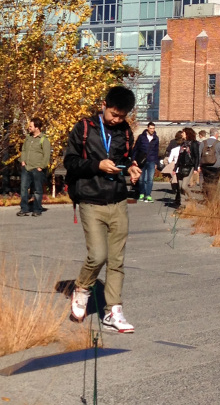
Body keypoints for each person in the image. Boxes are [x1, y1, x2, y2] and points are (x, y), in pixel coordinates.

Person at [64, 85, 141, 333]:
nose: (117, 120)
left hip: (117, 200)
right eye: (114, 114)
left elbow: (126, 159)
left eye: (122, 116)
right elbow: (70, 162)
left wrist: (131, 168)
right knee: (98, 255)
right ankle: (82, 288)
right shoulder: (84, 128)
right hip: (90, 200)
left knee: (116, 260)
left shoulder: (125, 132)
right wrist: (98, 165)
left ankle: (113, 311)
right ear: (104, 106)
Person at [18, 117, 51, 217]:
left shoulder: (44, 140)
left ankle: (37, 209)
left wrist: (41, 167)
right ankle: (24, 209)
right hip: (26, 168)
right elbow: (23, 150)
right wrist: (22, 161)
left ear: (37, 127)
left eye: (31, 126)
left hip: (37, 169)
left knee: (37, 189)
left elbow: (46, 155)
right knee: (23, 188)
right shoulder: (28, 138)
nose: (29, 128)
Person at [199, 127, 220, 202]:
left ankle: (206, 199)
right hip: (216, 167)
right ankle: (212, 200)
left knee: (206, 182)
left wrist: (199, 165)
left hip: (205, 166)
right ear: (216, 134)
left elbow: (199, 155)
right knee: (214, 183)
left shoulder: (203, 143)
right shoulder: (219, 144)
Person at [132, 122, 159, 203]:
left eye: (153, 128)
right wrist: (133, 159)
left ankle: (148, 195)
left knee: (150, 179)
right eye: (150, 128)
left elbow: (156, 151)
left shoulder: (156, 138)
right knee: (141, 179)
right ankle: (142, 193)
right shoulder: (141, 137)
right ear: (147, 128)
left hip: (151, 160)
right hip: (141, 161)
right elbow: (136, 149)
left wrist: (156, 162)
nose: (152, 130)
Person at [172, 127, 199, 207]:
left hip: (189, 167)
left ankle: (192, 198)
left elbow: (197, 156)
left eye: (183, 133)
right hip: (181, 167)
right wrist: (175, 168)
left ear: (187, 134)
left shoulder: (194, 144)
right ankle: (182, 204)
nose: (182, 134)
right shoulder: (183, 144)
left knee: (184, 186)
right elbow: (179, 156)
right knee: (180, 187)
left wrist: (196, 168)